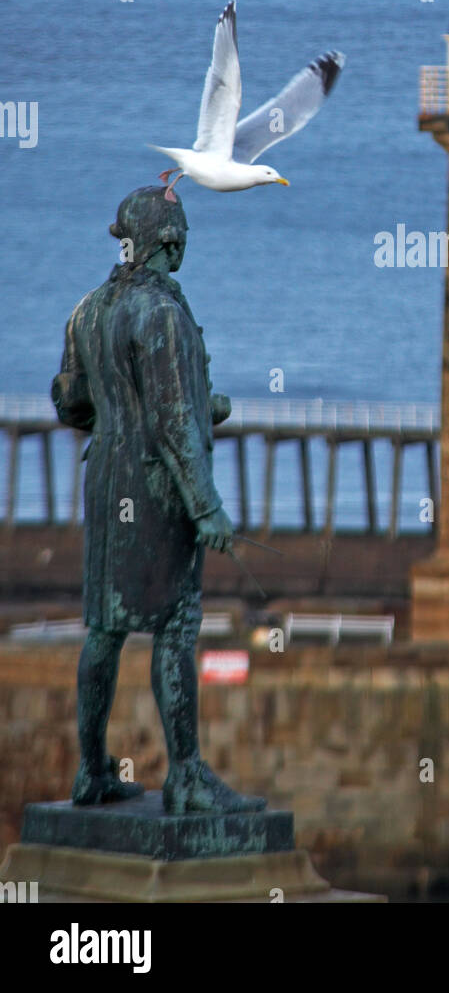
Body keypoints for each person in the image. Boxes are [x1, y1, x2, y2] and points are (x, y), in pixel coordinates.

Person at [52, 186, 264, 814]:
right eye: (183, 236)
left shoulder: (88, 310)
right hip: (155, 492)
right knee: (176, 624)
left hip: (106, 478)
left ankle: (91, 771)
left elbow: (72, 403)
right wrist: (205, 505)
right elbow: (174, 427)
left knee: (105, 629)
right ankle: (188, 774)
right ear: (169, 240)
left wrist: (198, 403)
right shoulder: (163, 315)